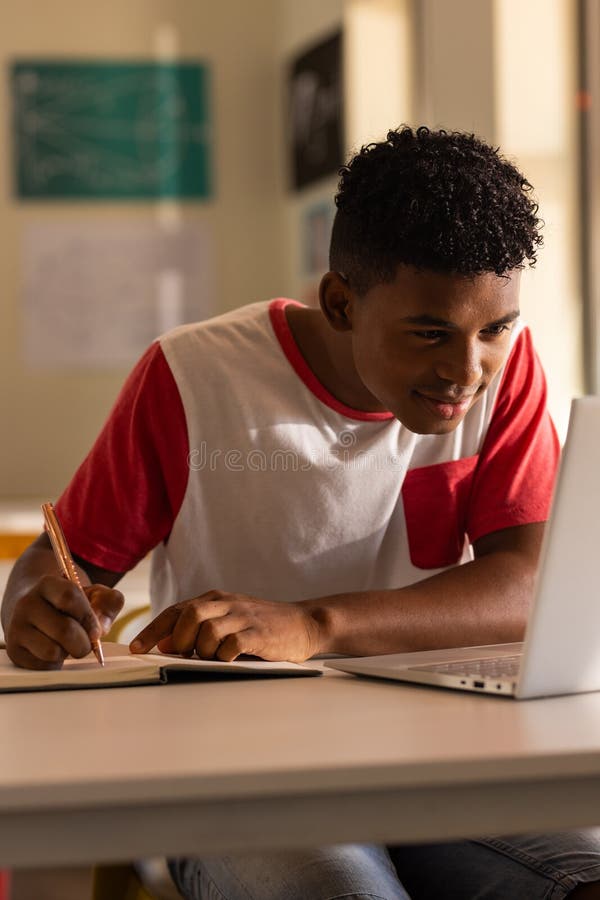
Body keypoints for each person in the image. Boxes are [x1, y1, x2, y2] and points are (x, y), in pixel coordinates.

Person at [3, 125, 600, 899]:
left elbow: (526, 586)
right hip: (237, 769)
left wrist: (316, 625)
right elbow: (55, 566)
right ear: (341, 303)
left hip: (440, 755)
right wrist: (34, 606)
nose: (467, 369)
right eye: (429, 333)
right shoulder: (192, 377)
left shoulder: (506, 374)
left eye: (495, 329)